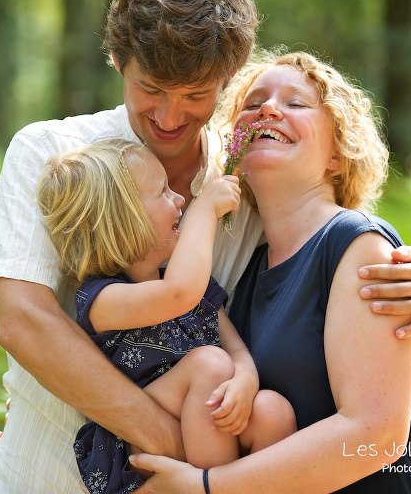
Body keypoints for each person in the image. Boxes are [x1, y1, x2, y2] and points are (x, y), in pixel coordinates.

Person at [0, 0, 411, 492]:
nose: (170, 116)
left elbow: (333, 230)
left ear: (226, 80)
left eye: (196, 95)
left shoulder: (243, 181)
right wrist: (172, 449)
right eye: (151, 89)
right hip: (42, 475)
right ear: (116, 59)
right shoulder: (54, 153)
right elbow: (24, 321)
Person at [129, 49, 411, 493]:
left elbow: (377, 435)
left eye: (296, 103)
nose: (269, 109)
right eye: (253, 104)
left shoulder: (359, 245)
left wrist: (208, 487)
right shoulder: (245, 268)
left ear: (337, 153)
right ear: (235, 148)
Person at [36, 139, 296, 493]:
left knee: (272, 411)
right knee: (208, 364)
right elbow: (177, 295)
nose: (179, 200)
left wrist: (246, 381)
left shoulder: (195, 286)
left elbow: (237, 351)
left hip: (209, 417)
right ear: (124, 219)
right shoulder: (104, 298)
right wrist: (203, 212)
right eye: (162, 192)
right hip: (138, 441)